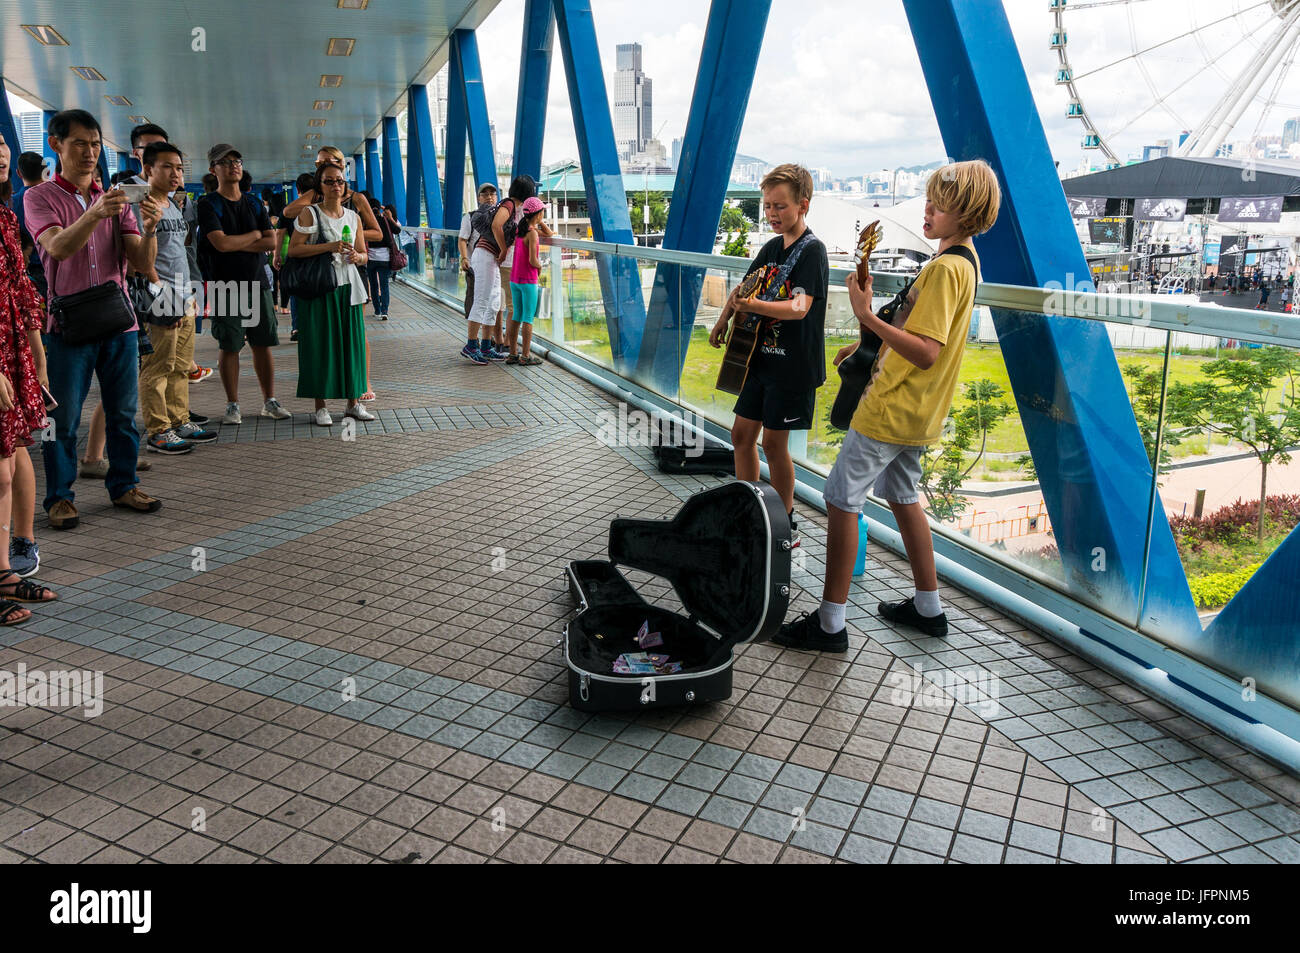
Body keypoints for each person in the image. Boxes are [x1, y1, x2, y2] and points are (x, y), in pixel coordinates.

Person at [776, 159, 1000, 650]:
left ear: (966, 212)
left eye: (942, 204)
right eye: (930, 200)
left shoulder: (944, 270)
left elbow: (924, 351)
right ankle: (928, 607)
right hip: (921, 411)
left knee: (840, 498)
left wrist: (864, 316)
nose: (929, 210)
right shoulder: (966, 263)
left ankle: (830, 622)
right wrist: (866, 346)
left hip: (891, 409)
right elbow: (923, 335)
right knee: (902, 496)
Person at [24, 109, 165, 530]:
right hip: (68, 325)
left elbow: (139, 263)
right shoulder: (40, 197)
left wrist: (150, 227)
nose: (90, 152)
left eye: (96, 144)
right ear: (57, 145)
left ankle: (124, 485)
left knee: (123, 411)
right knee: (60, 419)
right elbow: (59, 248)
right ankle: (59, 498)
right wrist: (93, 213)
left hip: (119, 323)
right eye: (80, 143)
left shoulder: (118, 202)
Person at [708, 163, 829, 549]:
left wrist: (756, 306)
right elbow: (742, 289)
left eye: (780, 206)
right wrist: (723, 319)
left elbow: (799, 308)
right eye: (767, 206)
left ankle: (784, 524)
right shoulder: (772, 247)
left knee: (775, 446)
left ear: (803, 205)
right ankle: (750, 509)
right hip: (761, 360)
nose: (772, 214)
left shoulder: (812, 252)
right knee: (741, 436)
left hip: (792, 367)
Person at [0, 133, 58, 615]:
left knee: (16, 453)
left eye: (2, 142)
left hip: (13, 352)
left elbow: (21, 290)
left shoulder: (4, 216)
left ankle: (8, 562)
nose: (1, 150)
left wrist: (36, 353)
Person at [135, 141, 217, 454]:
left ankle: (179, 419)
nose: (175, 173)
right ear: (148, 169)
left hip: (183, 295)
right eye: (167, 167)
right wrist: (164, 294)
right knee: (157, 367)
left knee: (181, 366)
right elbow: (140, 259)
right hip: (159, 296)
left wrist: (189, 293)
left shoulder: (171, 204)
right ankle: (158, 430)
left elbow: (178, 254)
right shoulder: (141, 205)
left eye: (179, 168)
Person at [198, 143, 289, 424]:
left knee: (263, 343)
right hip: (225, 285)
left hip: (258, 283)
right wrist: (253, 237)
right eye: (225, 162)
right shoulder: (207, 203)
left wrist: (242, 240)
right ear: (214, 169)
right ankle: (232, 404)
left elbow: (271, 241)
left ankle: (269, 401)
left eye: (237, 160)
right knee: (230, 345)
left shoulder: (252, 203)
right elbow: (220, 244)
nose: (233, 165)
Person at [287, 164, 374, 426]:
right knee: (320, 345)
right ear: (319, 186)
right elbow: (294, 250)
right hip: (321, 287)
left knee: (352, 345)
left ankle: (353, 403)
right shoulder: (309, 214)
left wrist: (358, 256)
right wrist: (329, 247)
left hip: (348, 287)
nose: (336, 185)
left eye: (340, 181)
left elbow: (363, 253)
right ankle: (320, 406)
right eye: (329, 181)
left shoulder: (353, 216)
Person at [275, 172, 316, 342]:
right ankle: (314, 326)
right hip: (317, 256)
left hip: (296, 256)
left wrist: (277, 255)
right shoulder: (321, 206)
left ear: (298, 189)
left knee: (296, 292)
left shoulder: (291, 209)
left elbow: (280, 233)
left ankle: (296, 327)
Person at [507, 197, 546, 366]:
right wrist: (541, 267)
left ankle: (513, 354)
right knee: (528, 319)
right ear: (538, 213)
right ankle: (525, 356)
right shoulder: (532, 233)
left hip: (514, 279)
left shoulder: (520, 230)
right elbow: (532, 260)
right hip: (528, 280)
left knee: (516, 315)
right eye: (542, 211)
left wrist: (539, 220)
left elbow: (548, 233)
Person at [459, 182, 497, 321]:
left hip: (495, 266)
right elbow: (462, 239)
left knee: (494, 299)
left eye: (492, 194)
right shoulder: (469, 217)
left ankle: (490, 334)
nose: (489, 197)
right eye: (485, 194)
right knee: (474, 297)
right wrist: (464, 259)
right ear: (479, 198)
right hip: (475, 266)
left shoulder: (500, 217)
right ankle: (473, 335)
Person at [365, 198, 393, 320]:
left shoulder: (367, 222)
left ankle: (377, 310)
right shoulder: (385, 220)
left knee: (374, 285)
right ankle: (385, 311)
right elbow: (397, 230)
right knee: (384, 285)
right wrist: (389, 217)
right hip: (384, 258)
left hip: (370, 258)